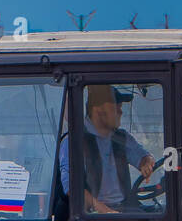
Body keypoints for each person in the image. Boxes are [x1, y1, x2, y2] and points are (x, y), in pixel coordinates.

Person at [58, 84, 156, 214]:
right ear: (99, 112)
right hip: (90, 217)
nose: (121, 112)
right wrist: (105, 211)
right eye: (116, 108)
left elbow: (144, 156)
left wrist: (147, 162)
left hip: (122, 209)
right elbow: (72, 187)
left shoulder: (122, 138)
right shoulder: (73, 142)